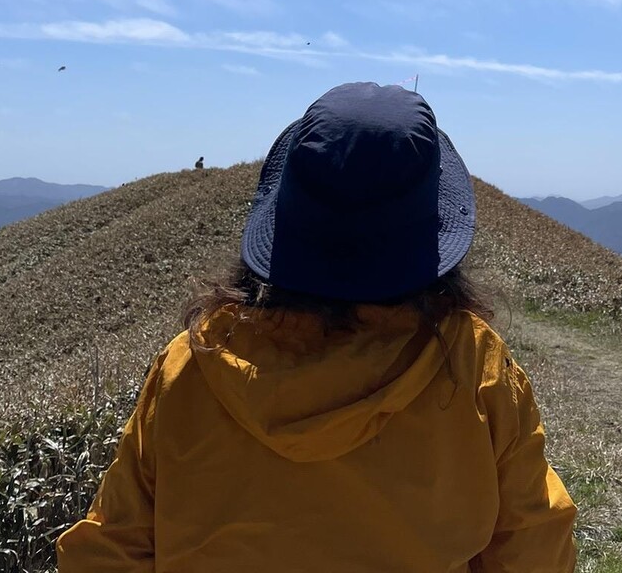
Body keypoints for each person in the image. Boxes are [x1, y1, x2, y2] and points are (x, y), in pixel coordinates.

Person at [57, 81, 577, 572]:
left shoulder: (192, 364)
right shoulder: (474, 365)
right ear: (431, 234)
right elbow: (533, 549)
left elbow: (111, 551)